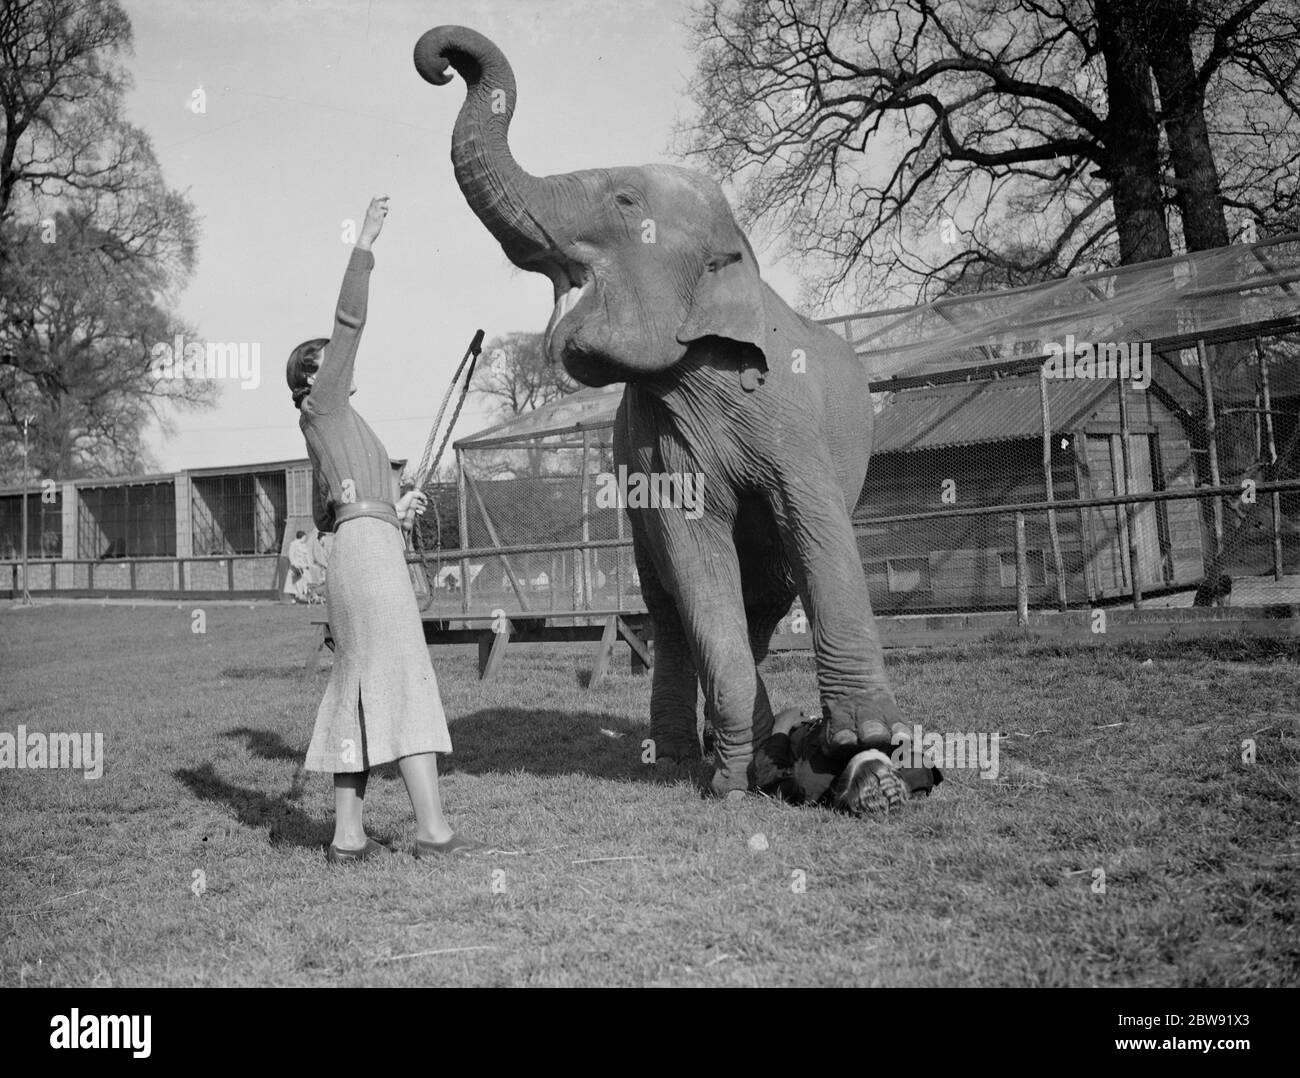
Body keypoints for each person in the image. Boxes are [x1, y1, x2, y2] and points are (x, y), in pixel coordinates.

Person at [288, 195, 490, 863]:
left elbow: (334, 507)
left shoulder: (334, 429)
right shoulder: (324, 404)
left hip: (363, 547)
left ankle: (348, 836)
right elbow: (348, 324)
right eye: (328, 361)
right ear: (313, 378)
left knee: (360, 685)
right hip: (366, 558)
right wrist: (365, 244)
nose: (341, 364)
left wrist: (385, 508)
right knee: (402, 676)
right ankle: (432, 831)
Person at [285, 530, 311, 602]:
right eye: (304, 536)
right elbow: (291, 554)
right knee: (293, 584)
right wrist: (294, 564)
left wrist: (308, 564)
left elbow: (307, 555)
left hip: (304, 567)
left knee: (305, 582)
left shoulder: (304, 545)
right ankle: (294, 599)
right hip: (296, 567)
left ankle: (305, 597)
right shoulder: (293, 544)